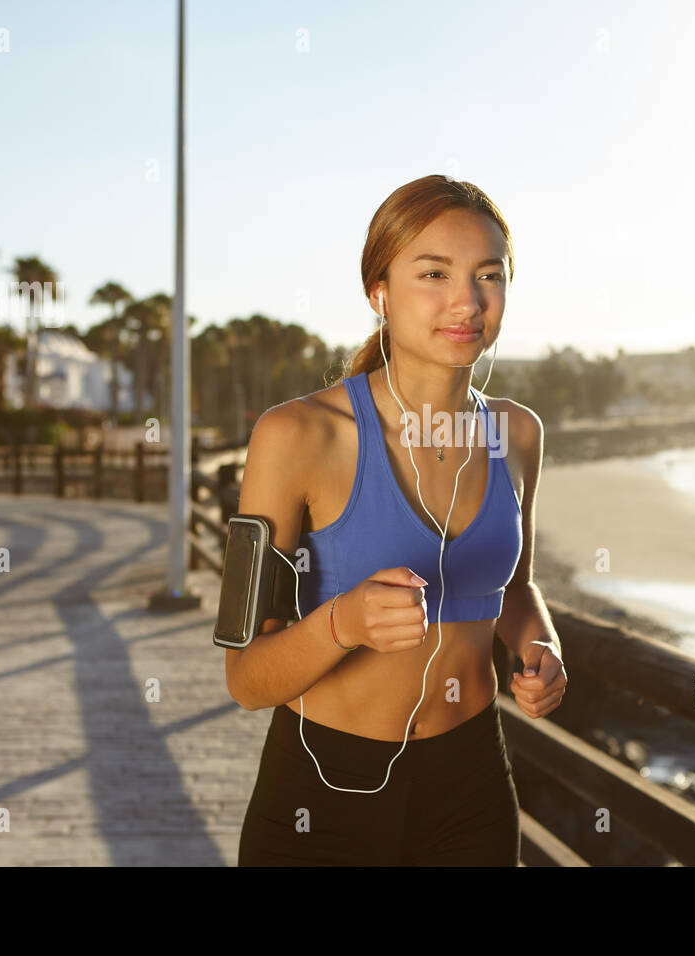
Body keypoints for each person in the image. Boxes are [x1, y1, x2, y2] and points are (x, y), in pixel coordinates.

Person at [229, 174, 567, 867]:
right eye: (433, 273)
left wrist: (543, 651)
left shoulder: (518, 434)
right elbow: (245, 678)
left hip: (471, 789)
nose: (466, 301)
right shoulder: (294, 436)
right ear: (379, 291)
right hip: (320, 798)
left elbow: (514, 588)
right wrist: (342, 624)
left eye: (488, 275)